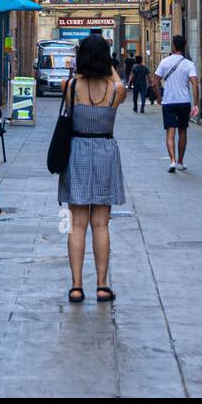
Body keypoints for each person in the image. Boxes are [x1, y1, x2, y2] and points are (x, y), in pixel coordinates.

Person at [59, 34, 127, 304]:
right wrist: (108, 65)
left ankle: (76, 286)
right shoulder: (115, 91)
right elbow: (119, 81)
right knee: (101, 223)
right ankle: (102, 285)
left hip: (76, 150)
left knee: (76, 224)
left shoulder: (70, 85)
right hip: (105, 152)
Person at [153, 34, 199, 173]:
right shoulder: (189, 64)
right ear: (184, 47)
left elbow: (155, 82)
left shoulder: (164, 62)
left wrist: (159, 97)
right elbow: (195, 85)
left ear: (173, 46)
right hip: (184, 102)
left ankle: (172, 161)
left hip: (169, 102)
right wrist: (196, 104)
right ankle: (180, 161)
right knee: (183, 131)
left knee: (170, 132)